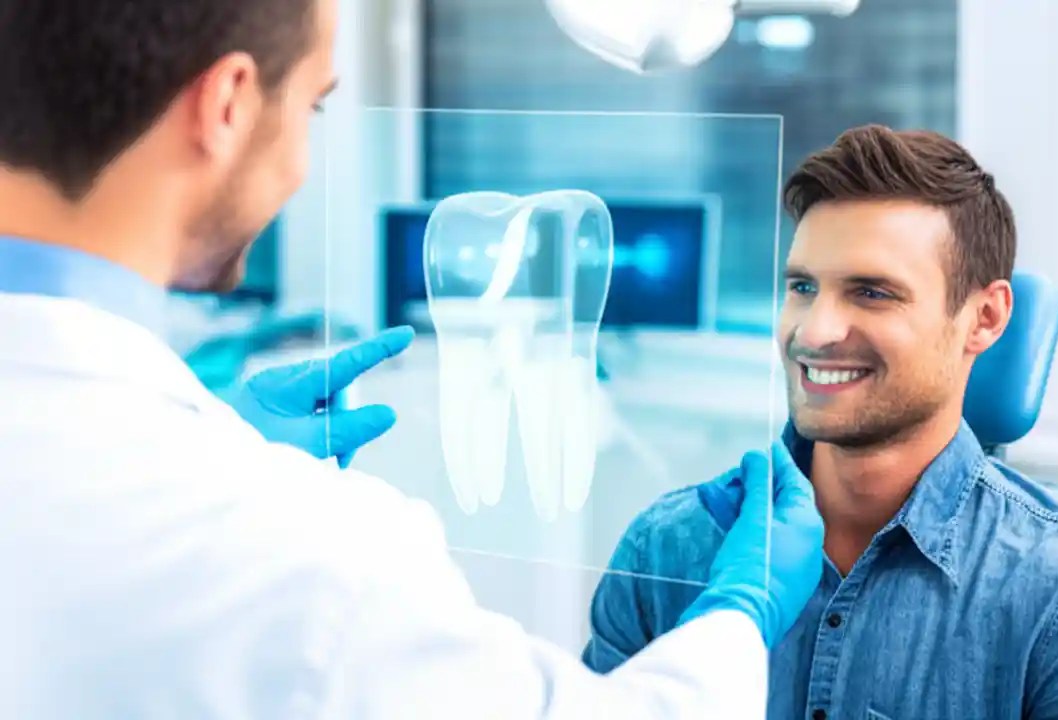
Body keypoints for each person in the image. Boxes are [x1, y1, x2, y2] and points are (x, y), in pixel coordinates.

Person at [0, 1, 827, 717]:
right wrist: (737, 618)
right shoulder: (308, 555)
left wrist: (208, 441)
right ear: (227, 104)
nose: (302, 162)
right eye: (315, 109)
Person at [582, 125, 1058, 718]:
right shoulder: (669, 550)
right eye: (803, 286)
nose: (814, 331)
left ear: (984, 318)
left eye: (872, 293)